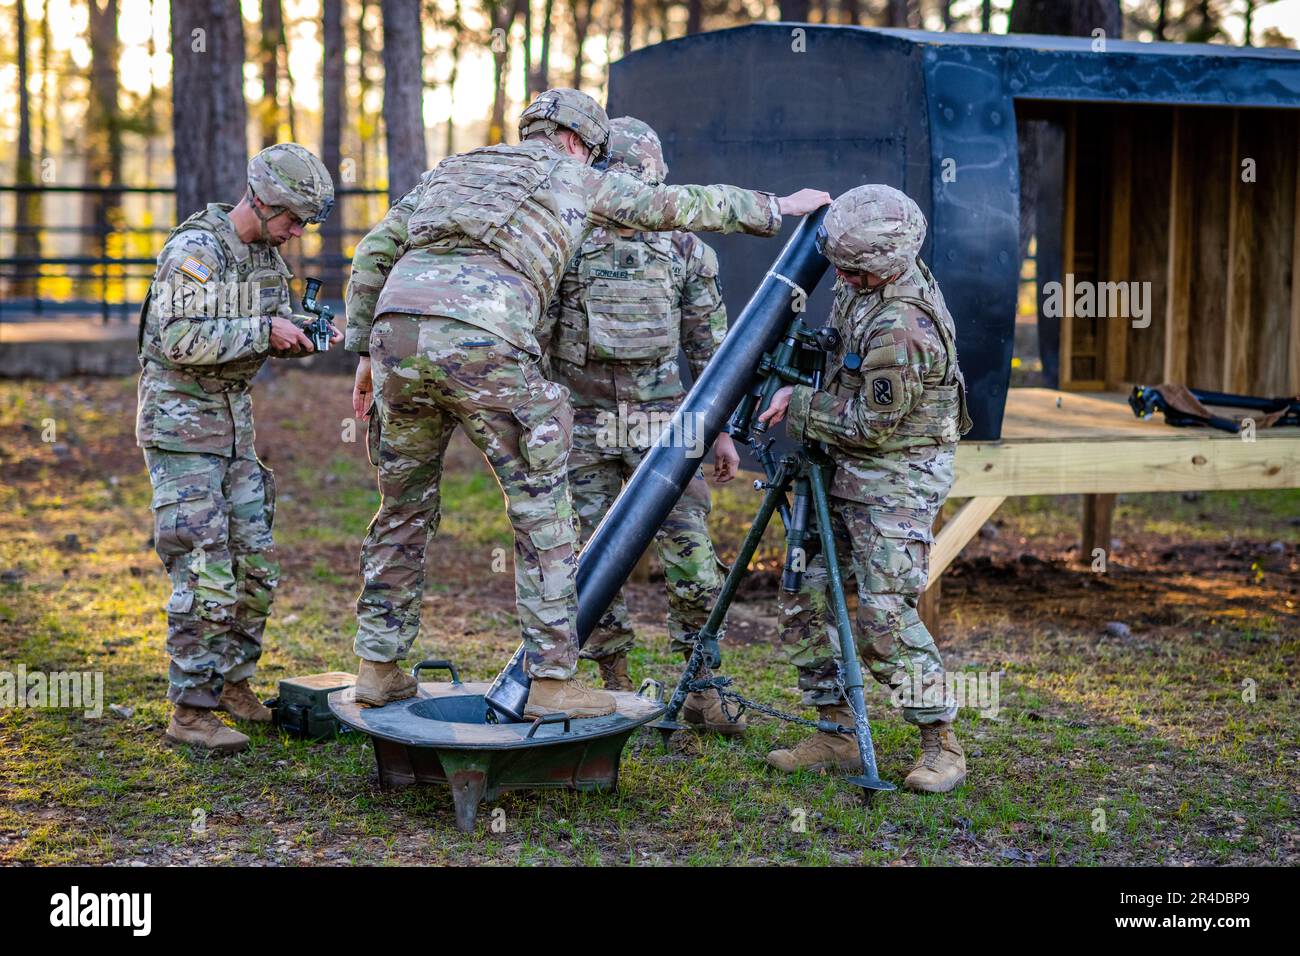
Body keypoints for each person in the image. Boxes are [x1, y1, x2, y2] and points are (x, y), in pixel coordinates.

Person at [345, 87, 830, 719]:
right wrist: (781, 206)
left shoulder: (455, 168)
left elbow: (373, 250)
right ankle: (551, 682)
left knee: (402, 505)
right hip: (486, 335)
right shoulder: (573, 176)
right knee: (544, 516)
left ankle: (377, 667)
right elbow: (675, 204)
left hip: (397, 335)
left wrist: (362, 352)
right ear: (580, 143)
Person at [757, 184, 972, 793]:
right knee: (805, 599)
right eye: (840, 265)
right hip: (841, 462)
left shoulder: (903, 326)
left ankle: (941, 743)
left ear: (884, 265)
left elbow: (871, 426)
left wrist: (798, 405)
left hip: (895, 474)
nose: (842, 278)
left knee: (882, 614)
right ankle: (837, 733)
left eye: (854, 270)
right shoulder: (864, 283)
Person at [543, 116, 744, 735]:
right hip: (603, 421)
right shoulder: (570, 239)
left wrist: (721, 430)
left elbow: (711, 347)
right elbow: (715, 353)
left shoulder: (677, 247)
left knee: (619, 558)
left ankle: (687, 688)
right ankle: (625, 688)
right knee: (645, 559)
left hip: (660, 423)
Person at [137, 143, 339, 753]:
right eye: (293, 220)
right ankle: (191, 710)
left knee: (255, 567)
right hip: (181, 433)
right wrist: (261, 331)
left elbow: (272, 320)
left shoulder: (264, 259)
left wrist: (300, 333)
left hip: (234, 432)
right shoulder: (195, 252)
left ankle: (230, 683)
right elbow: (176, 339)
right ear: (263, 200)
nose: (297, 233)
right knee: (205, 573)